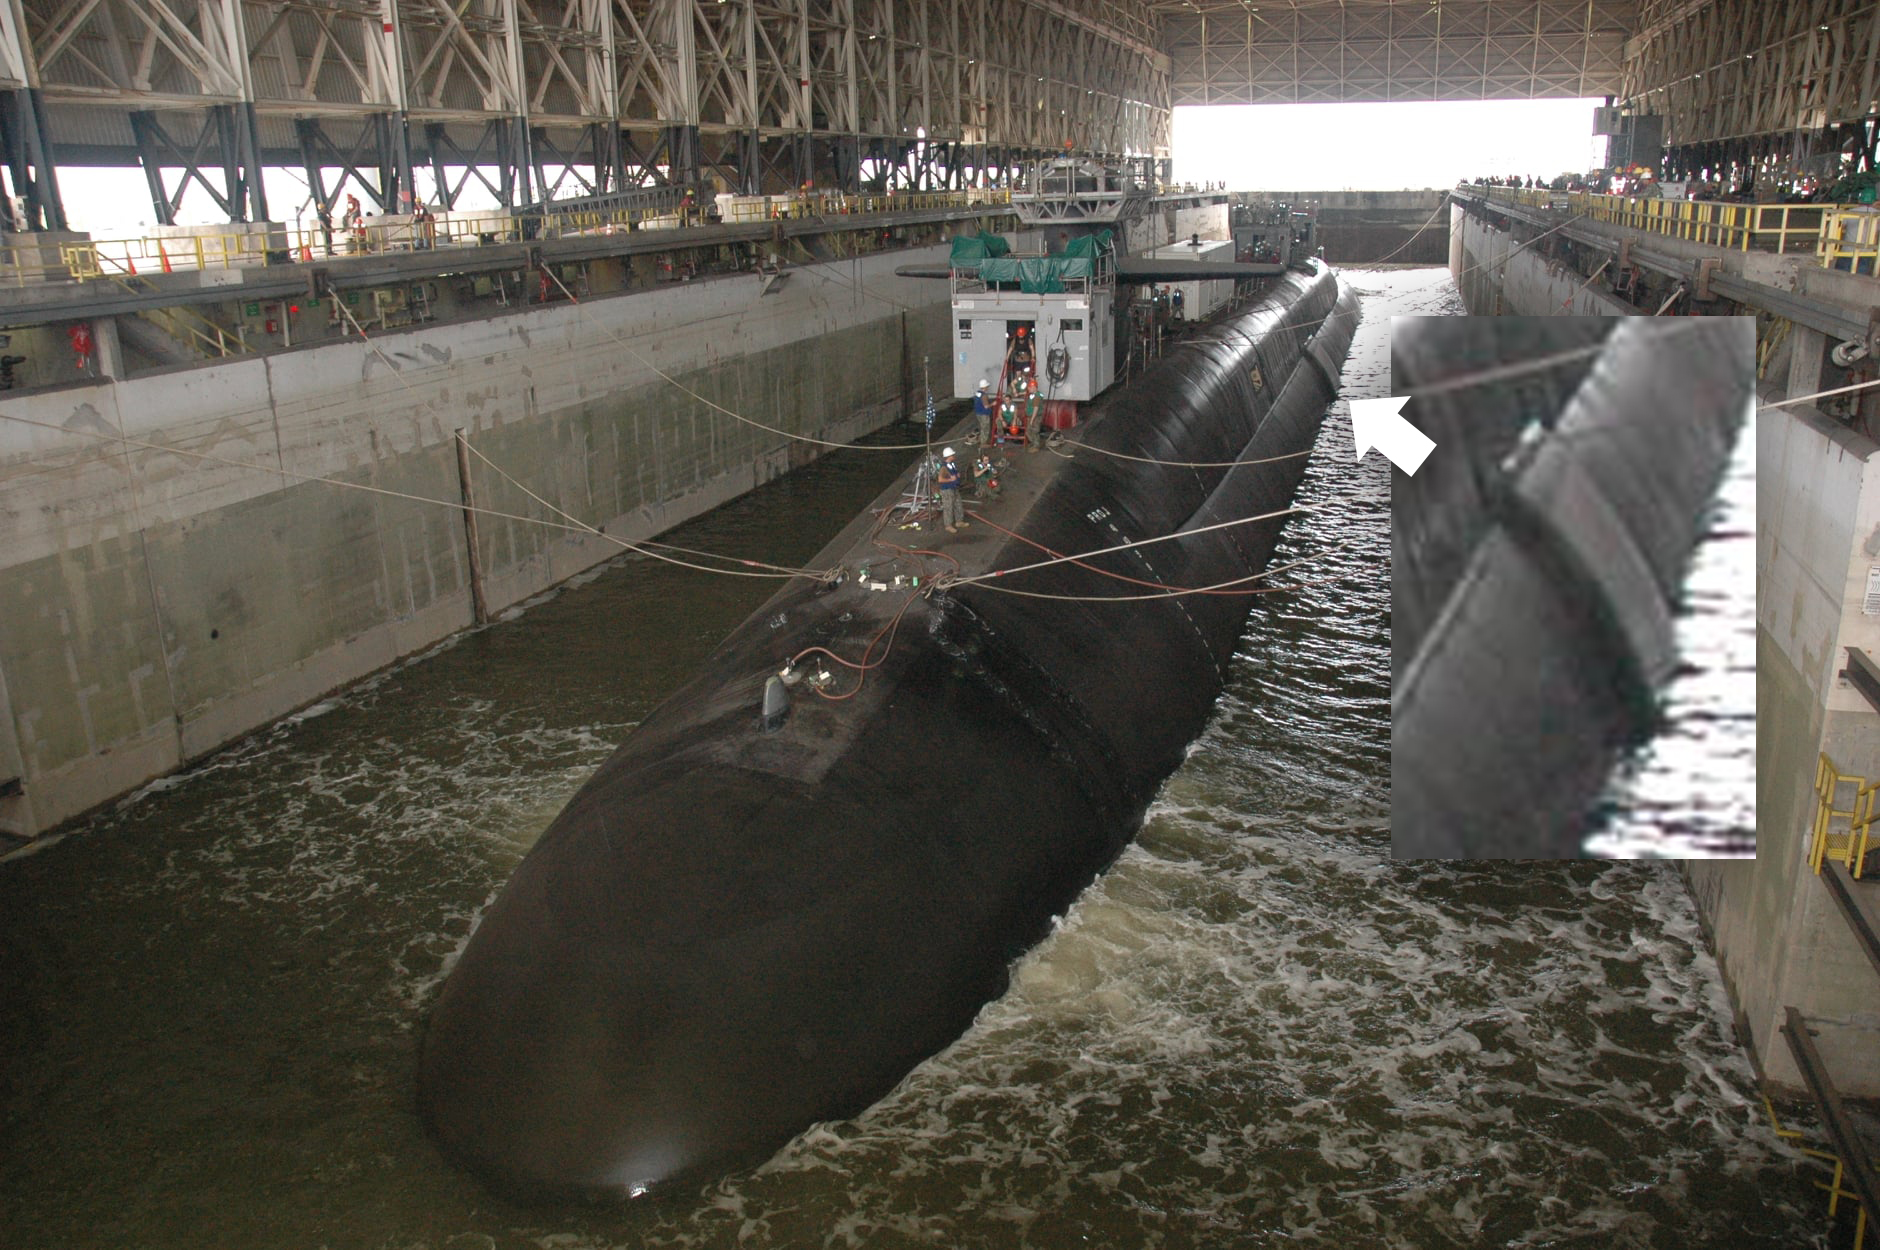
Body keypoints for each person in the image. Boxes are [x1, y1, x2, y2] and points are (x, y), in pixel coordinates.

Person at [936, 447, 966, 533]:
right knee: (948, 507)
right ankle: (948, 525)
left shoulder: (952, 464)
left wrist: (957, 475)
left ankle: (959, 521)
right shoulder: (943, 468)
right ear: (949, 456)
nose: (954, 456)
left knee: (958, 504)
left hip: (954, 487)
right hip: (947, 490)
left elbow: (954, 472)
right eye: (952, 455)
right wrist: (950, 480)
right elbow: (940, 480)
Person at [972, 379, 993, 445]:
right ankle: (983, 443)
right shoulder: (984, 395)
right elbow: (986, 406)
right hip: (984, 414)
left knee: (982, 426)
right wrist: (993, 404)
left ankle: (981, 439)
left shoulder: (977, 393)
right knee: (985, 428)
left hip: (978, 413)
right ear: (985, 387)